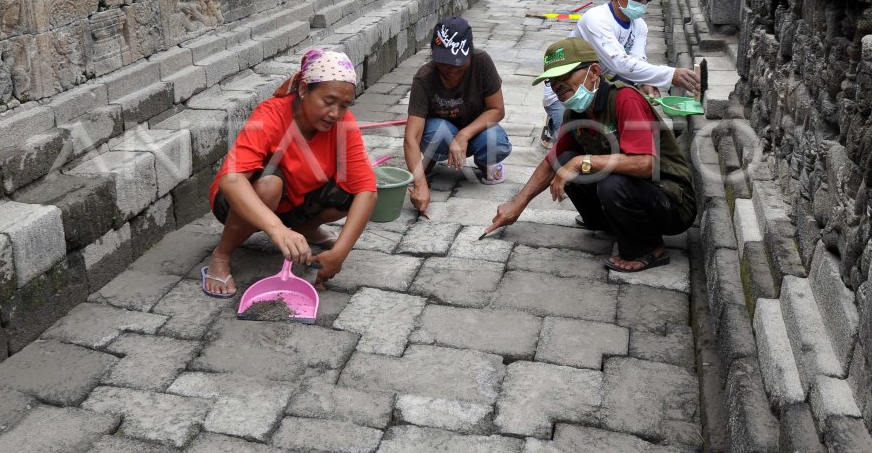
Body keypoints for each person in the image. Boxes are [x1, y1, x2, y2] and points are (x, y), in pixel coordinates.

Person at [488, 38, 696, 272]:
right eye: (553, 81)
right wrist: (517, 205)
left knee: (609, 181)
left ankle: (649, 248)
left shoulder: (625, 99)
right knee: (566, 162)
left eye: (565, 77)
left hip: (672, 201)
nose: (558, 86)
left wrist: (583, 162)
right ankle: (607, 224)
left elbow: (646, 164)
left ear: (594, 71)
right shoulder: (576, 112)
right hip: (637, 191)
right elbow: (552, 162)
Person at [202, 49, 378, 295]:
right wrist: (277, 230)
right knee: (268, 185)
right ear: (304, 89)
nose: (335, 114)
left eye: (344, 106)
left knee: (349, 192)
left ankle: (305, 230)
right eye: (328, 102)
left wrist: (340, 253)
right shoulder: (270, 115)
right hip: (242, 203)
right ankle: (222, 254)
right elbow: (232, 181)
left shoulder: (343, 125)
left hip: (293, 203)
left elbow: (367, 192)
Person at [540, 0, 701, 148]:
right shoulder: (596, 19)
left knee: (612, 136)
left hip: (601, 85)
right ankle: (554, 122)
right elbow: (620, 63)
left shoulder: (639, 25)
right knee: (573, 145)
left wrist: (645, 83)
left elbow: (637, 59)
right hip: (571, 89)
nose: (644, 2)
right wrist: (670, 75)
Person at [404, 16, 511, 217]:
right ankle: (433, 158)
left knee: (496, 142)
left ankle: (483, 161)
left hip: (477, 131)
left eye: (459, 64)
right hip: (442, 132)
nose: (452, 70)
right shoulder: (424, 77)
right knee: (434, 132)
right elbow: (412, 136)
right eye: (445, 63)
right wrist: (420, 184)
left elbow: (497, 109)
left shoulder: (482, 62)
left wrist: (463, 135)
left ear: (470, 53)